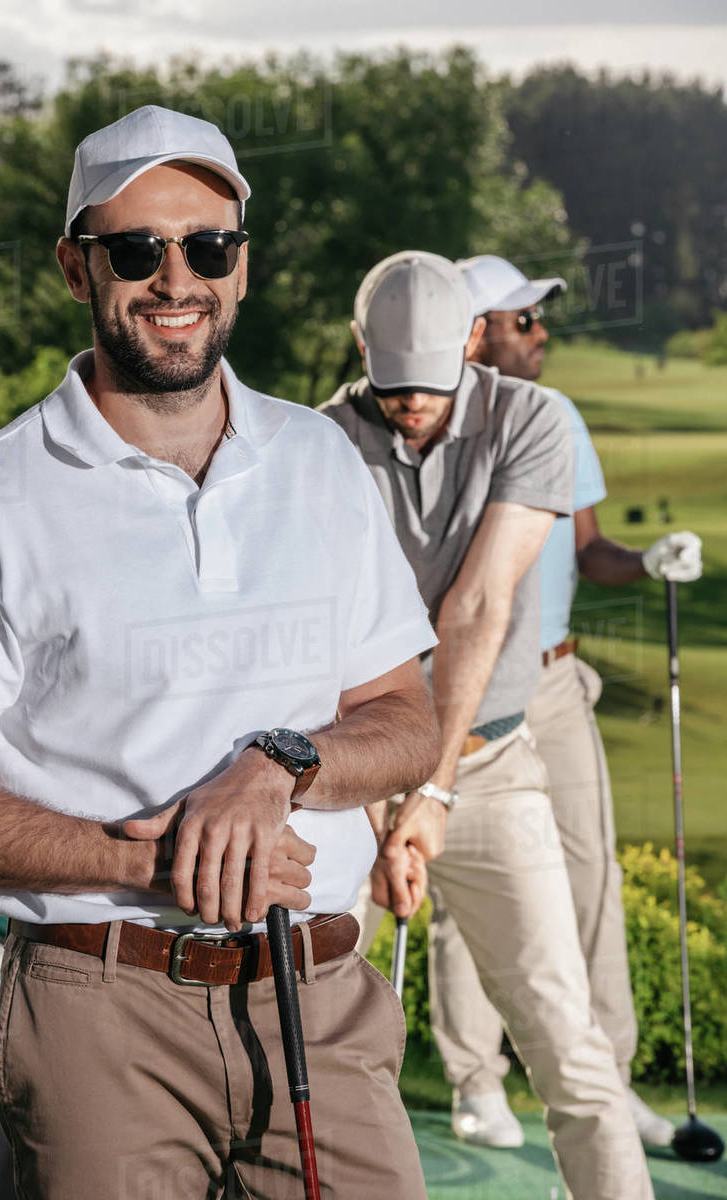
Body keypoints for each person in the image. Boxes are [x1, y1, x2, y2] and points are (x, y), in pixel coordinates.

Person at [0, 106, 443, 1200]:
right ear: (77, 267)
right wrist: (148, 862)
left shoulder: (321, 462)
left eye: (208, 246)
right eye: (136, 249)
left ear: (241, 268)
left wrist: (281, 764)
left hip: (321, 995)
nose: (177, 278)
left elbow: (407, 720)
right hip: (97, 1009)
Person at [320, 250, 656, 1200]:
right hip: (348, 778)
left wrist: (429, 790)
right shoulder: (318, 441)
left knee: (567, 1045)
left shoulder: (532, 419)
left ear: (473, 340)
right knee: (310, 1034)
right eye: (391, 387)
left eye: (430, 385)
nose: (411, 405)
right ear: (360, 351)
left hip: (488, 764)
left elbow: (475, 609)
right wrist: (381, 796)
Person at [430, 252, 702, 1149]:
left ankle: (608, 1079)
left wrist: (649, 559)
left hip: (553, 681)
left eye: (539, 321)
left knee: (590, 875)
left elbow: (588, 552)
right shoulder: (436, 432)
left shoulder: (557, 417)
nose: (541, 335)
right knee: (465, 885)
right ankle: (477, 1083)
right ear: (475, 334)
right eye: (524, 321)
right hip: (459, 696)